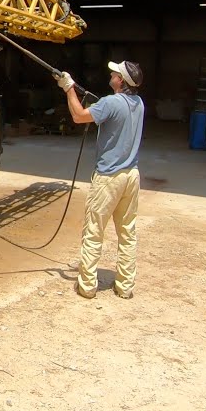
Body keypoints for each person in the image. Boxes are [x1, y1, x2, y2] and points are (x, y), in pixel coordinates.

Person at [55, 61, 145, 300]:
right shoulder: (139, 103)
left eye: (115, 73)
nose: (112, 74)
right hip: (131, 177)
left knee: (94, 231)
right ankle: (125, 286)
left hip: (109, 178)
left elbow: (78, 116)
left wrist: (68, 88)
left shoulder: (111, 103)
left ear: (121, 81)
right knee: (127, 233)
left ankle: (86, 286)